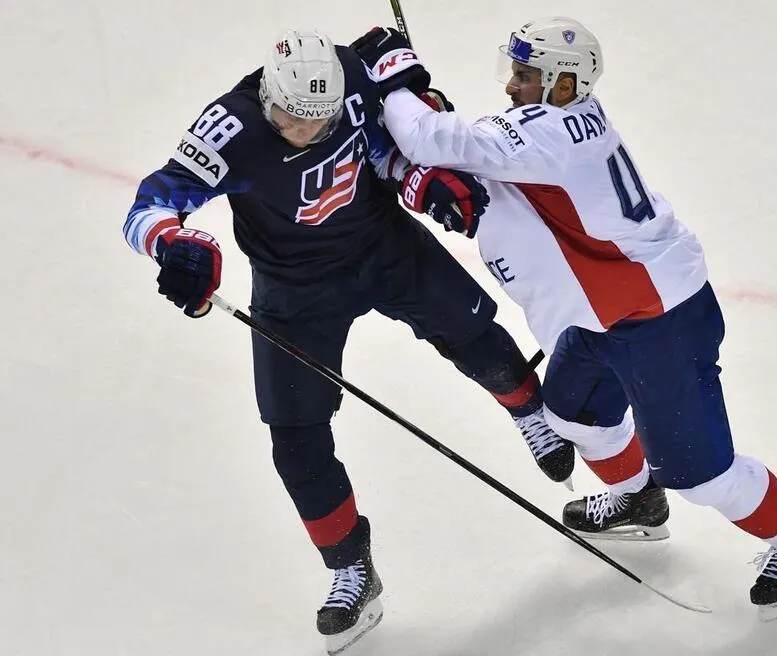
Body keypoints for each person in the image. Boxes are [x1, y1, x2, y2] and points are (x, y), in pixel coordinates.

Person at [356, 17, 777, 620]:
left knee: (701, 475)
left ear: (563, 83)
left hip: (660, 317)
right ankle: (637, 499)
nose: (512, 85)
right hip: (605, 316)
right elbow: (463, 156)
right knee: (572, 412)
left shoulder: (548, 134)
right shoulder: (554, 127)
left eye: (527, 75)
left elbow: (433, 140)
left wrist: (391, 81)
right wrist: (417, 135)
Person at [122, 29, 575, 653]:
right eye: (292, 120)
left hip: (382, 247)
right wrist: (170, 245)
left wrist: (423, 184)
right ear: (267, 93)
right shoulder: (231, 128)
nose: (307, 131)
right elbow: (149, 203)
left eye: (320, 120)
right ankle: (350, 569)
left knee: (471, 330)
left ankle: (531, 413)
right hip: (294, 292)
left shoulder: (349, 76)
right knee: (294, 433)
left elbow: (385, 152)